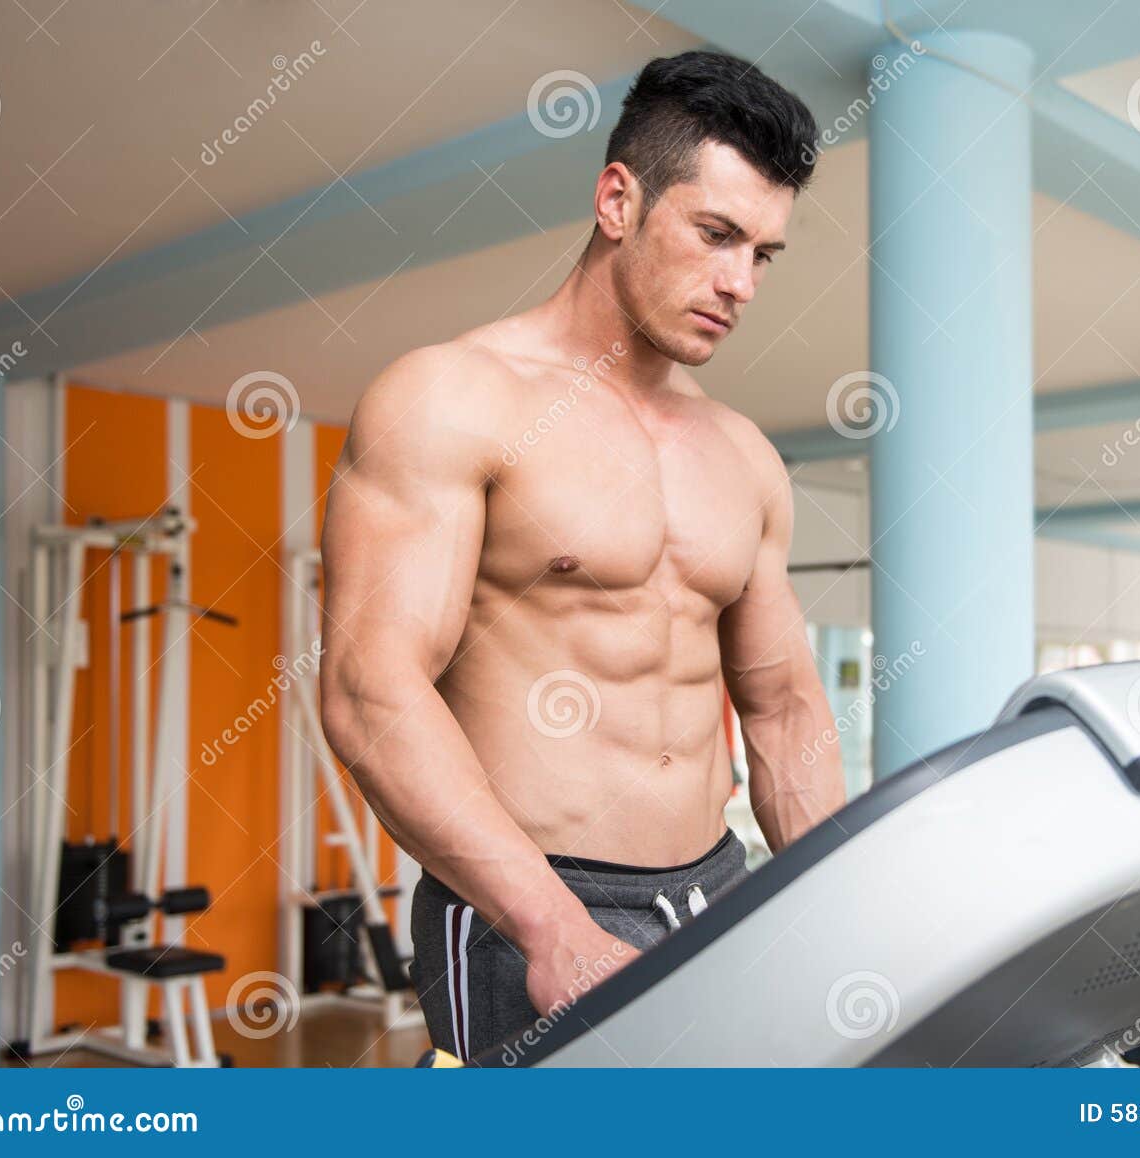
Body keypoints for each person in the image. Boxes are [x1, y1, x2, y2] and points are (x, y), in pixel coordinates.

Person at [319, 49, 845, 1061]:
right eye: (716, 234)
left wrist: (841, 900)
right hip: (538, 906)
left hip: (721, 887)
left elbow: (783, 710)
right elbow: (369, 690)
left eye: (763, 254)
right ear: (617, 200)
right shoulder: (450, 399)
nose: (739, 283)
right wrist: (551, 926)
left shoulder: (742, 456)